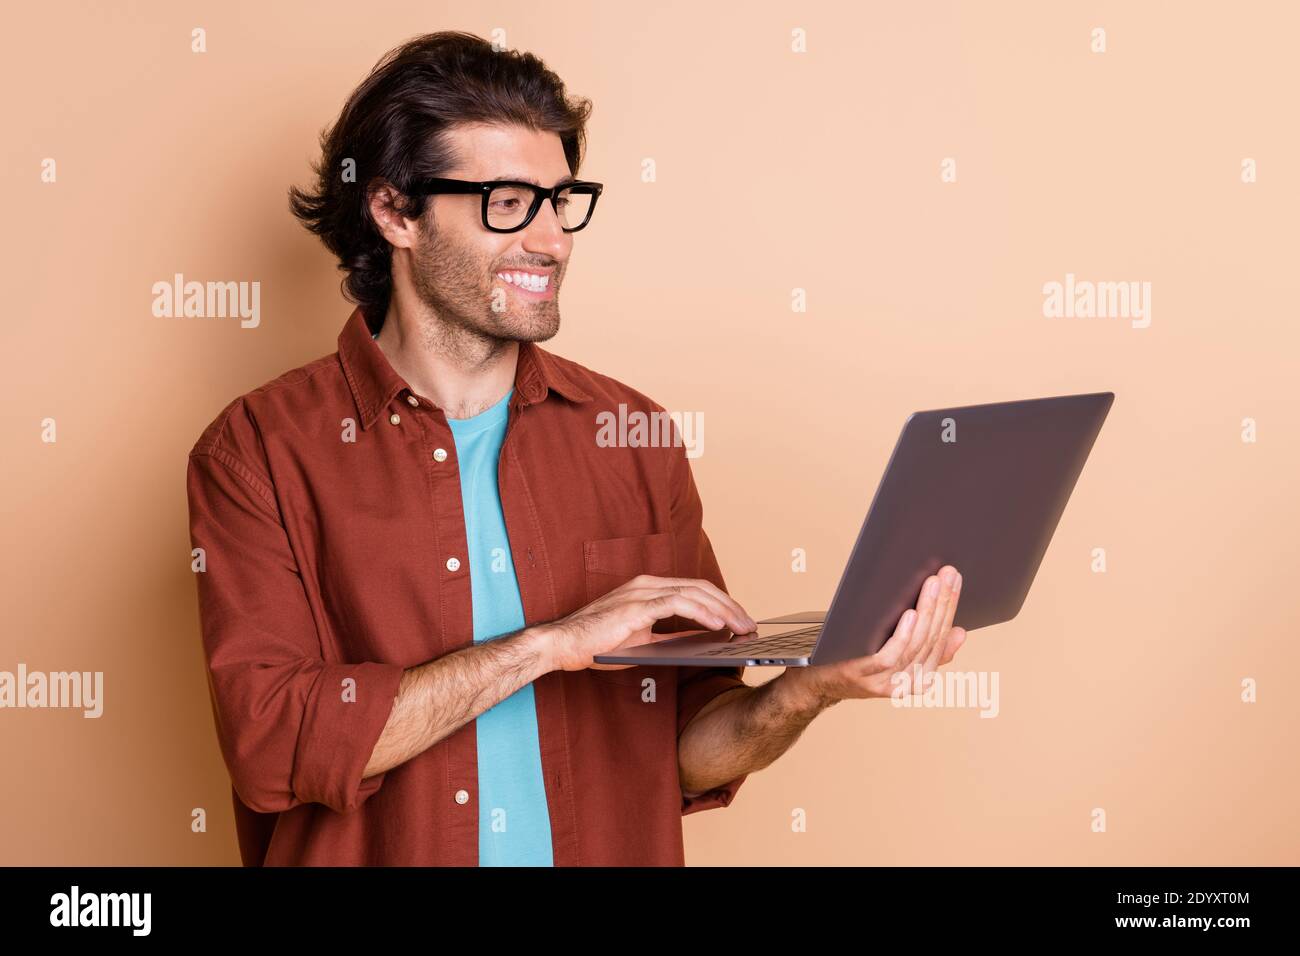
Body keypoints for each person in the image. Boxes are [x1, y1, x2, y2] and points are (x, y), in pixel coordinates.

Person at [185, 31, 967, 866]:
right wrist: (551, 643)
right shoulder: (258, 453)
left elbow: (682, 750)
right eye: (509, 202)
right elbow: (275, 747)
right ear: (394, 212)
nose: (553, 239)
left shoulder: (634, 437)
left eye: (561, 201)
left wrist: (811, 689)